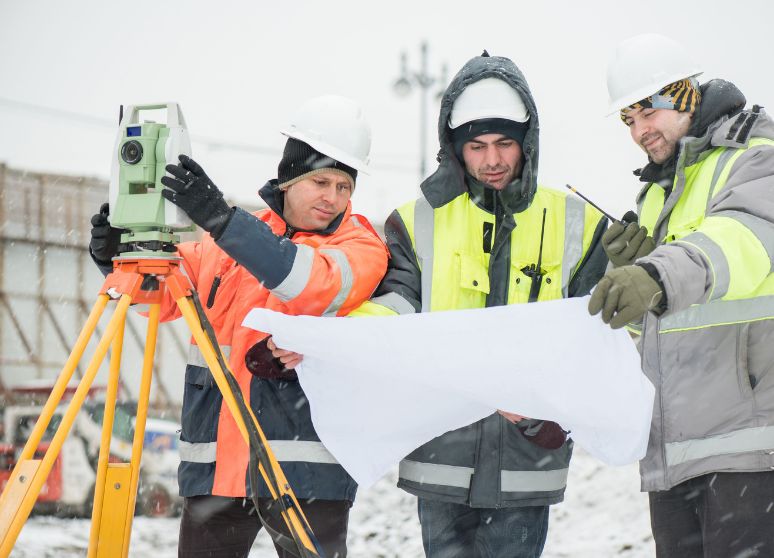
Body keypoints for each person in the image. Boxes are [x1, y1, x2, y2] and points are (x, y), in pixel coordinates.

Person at [272, 51, 608, 558]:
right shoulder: (415, 221)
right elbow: (393, 309)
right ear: (455, 148)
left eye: (504, 143)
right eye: (477, 145)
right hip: (441, 452)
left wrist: (557, 409)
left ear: (527, 142)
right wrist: (327, 341)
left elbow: (594, 332)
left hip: (529, 454)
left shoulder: (577, 222)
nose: (492, 160)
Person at [89, 95, 388, 558]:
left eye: (344, 186)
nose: (333, 197)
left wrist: (222, 221)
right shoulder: (230, 240)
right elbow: (160, 295)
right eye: (321, 181)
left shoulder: (360, 246)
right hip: (218, 468)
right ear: (289, 177)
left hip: (307, 471)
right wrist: (117, 256)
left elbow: (310, 283)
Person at [590, 33, 774, 557]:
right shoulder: (656, 192)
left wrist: (656, 274)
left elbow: (740, 239)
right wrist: (630, 278)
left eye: (649, 112)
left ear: (685, 94)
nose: (639, 131)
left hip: (750, 450)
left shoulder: (756, 158)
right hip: (676, 455)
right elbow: (656, 324)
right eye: (628, 119)